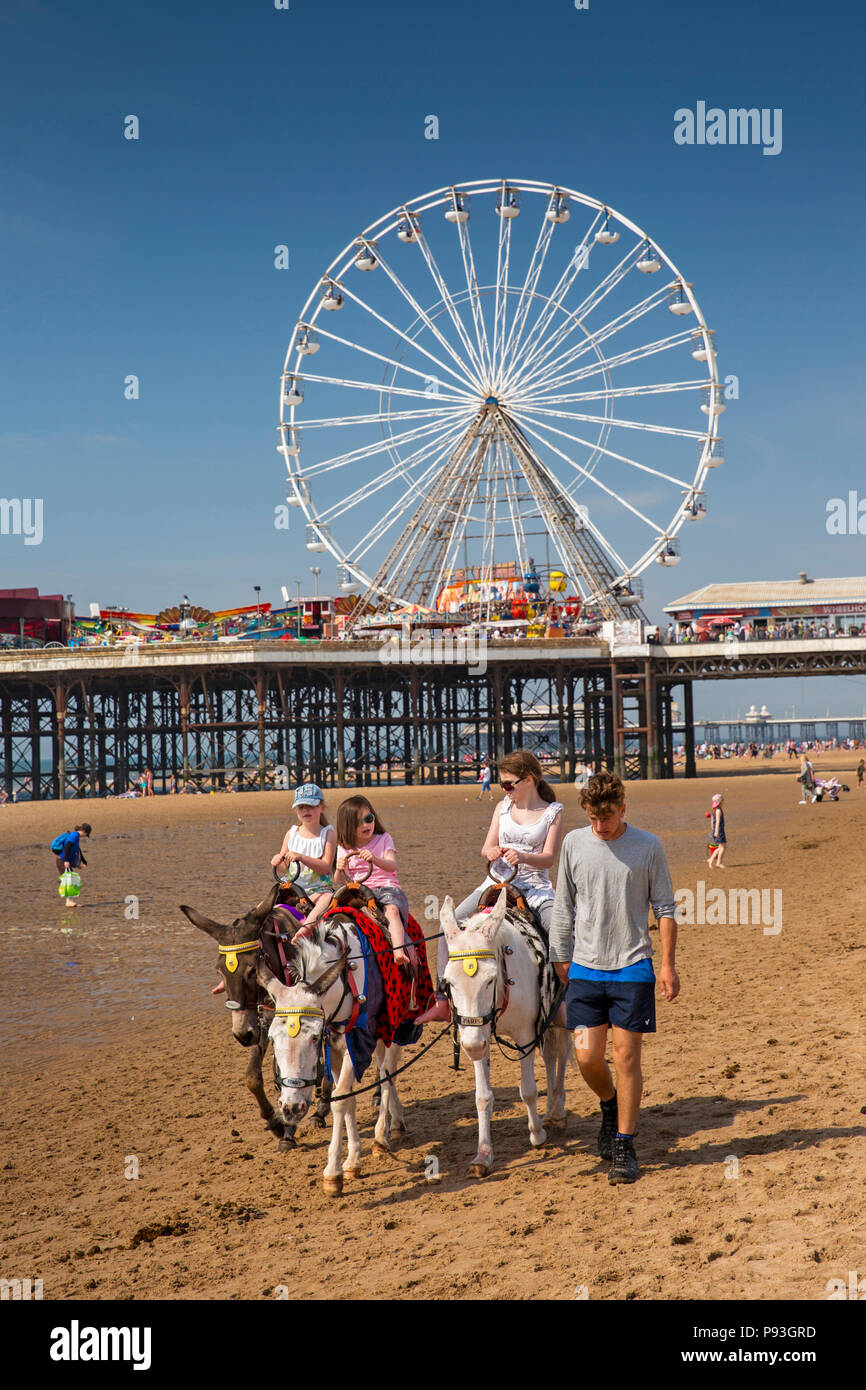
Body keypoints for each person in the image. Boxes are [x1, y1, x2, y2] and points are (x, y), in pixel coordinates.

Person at [549, 771, 678, 1184]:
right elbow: (562, 905)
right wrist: (559, 956)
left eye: (606, 817)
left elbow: (665, 908)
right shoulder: (573, 843)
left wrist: (668, 964)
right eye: (592, 817)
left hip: (632, 967)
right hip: (585, 968)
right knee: (586, 1056)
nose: (599, 825)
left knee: (626, 1058)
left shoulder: (648, 846)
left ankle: (625, 1145)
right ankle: (609, 1102)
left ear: (623, 809)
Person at [417, 748, 564, 1025]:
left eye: (509, 784)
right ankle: (442, 999)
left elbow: (549, 858)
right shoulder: (502, 807)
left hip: (534, 888)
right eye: (502, 785)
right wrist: (494, 852)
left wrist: (523, 856)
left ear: (529, 780)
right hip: (495, 883)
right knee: (450, 922)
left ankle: (564, 999)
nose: (505, 790)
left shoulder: (552, 812)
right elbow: (485, 848)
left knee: (560, 928)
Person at [335, 795, 414, 969]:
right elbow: (339, 881)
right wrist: (339, 869)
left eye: (369, 819)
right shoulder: (344, 847)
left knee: (392, 911)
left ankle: (398, 951)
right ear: (348, 827)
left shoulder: (383, 838)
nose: (366, 825)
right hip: (358, 891)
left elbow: (392, 866)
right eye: (359, 822)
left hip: (385, 888)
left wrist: (375, 859)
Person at [271, 783, 336, 927]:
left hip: (317, 891)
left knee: (327, 897)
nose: (306, 810)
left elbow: (326, 867)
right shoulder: (291, 834)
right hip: (291, 891)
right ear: (296, 811)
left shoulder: (327, 833)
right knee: (263, 909)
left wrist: (301, 857)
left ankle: (308, 926)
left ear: (322, 808)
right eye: (301, 807)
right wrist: (277, 862)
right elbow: (283, 869)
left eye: (311, 806)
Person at [51, 823, 92, 905]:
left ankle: (69, 901)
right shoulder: (74, 836)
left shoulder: (76, 836)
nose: (85, 836)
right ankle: (69, 901)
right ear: (84, 831)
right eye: (86, 834)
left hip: (64, 860)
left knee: (70, 880)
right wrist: (66, 861)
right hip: (62, 861)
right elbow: (67, 847)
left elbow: (77, 849)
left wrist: (84, 861)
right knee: (69, 881)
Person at [706, 792, 727, 868]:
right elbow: (717, 821)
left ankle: (711, 860)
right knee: (723, 847)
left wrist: (713, 830)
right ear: (720, 802)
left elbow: (712, 822)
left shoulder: (713, 811)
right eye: (722, 801)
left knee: (720, 847)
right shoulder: (718, 811)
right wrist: (716, 831)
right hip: (719, 831)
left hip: (716, 830)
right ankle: (718, 862)